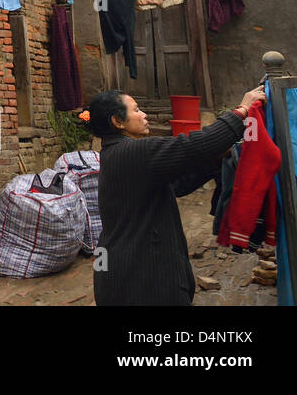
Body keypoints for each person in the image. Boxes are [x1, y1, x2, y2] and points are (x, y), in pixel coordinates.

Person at [85, 85, 266, 306]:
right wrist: (242, 109)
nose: (144, 115)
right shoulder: (135, 152)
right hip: (141, 280)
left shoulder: (115, 153)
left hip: (118, 271)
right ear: (118, 121)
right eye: (136, 110)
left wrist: (218, 157)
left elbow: (176, 185)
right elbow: (193, 146)